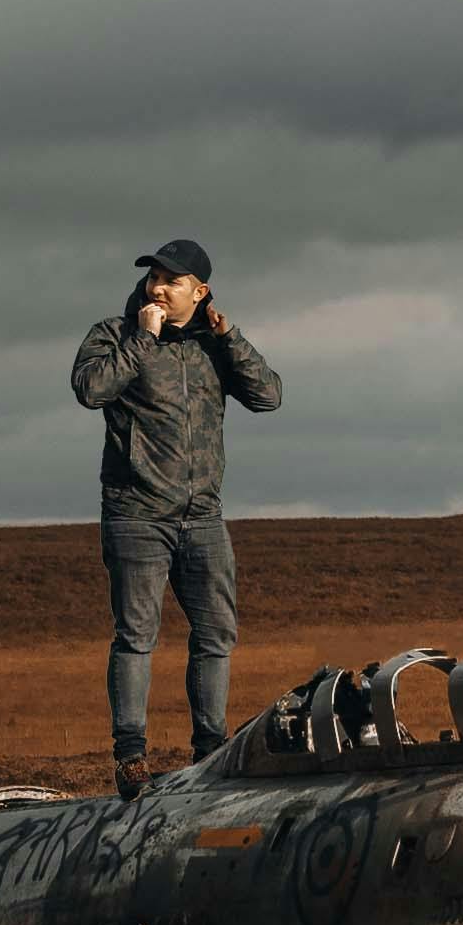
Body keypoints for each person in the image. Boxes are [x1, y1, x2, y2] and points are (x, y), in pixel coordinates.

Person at [72, 238, 282, 797]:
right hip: (136, 512)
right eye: (154, 278)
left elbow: (268, 397)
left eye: (171, 280)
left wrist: (229, 337)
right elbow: (91, 390)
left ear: (200, 290)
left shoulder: (213, 347)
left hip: (203, 516)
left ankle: (210, 750)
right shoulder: (114, 334)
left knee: (216, 633)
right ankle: (131, 757)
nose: (158, 288)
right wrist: (143, 337)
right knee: (137, 635)